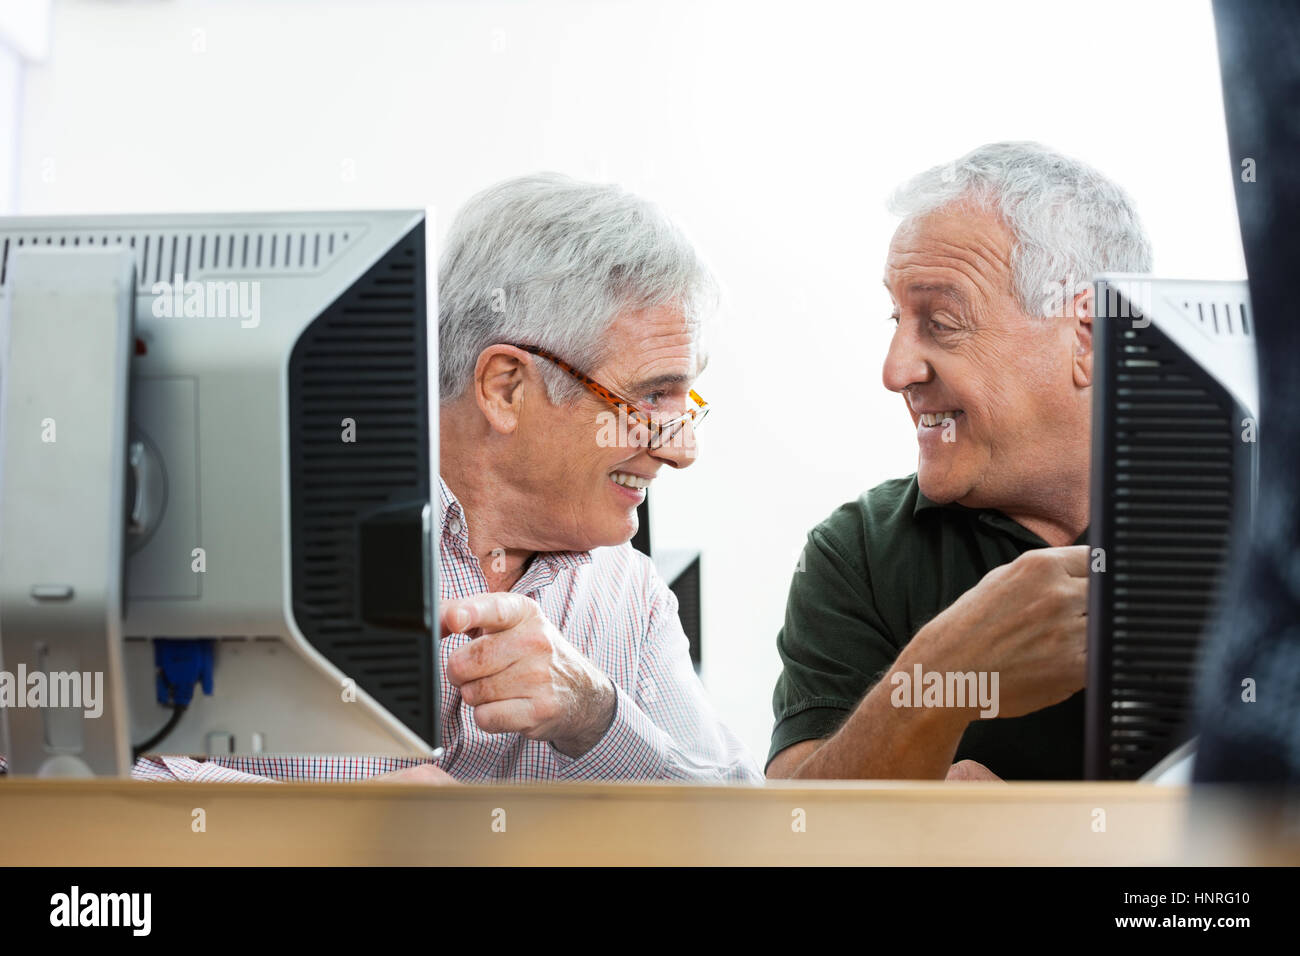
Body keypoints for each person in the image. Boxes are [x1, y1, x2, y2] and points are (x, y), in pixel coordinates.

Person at [128, 172, 761, 784]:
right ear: (505, 387)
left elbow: (738, 834)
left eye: (686, 407)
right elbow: (67, 768)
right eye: (650, 399)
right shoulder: (251, 539)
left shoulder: (632, 598)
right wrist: (326, 828)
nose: (683, 452)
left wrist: (597, 715)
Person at [766, 142, 1153, 781]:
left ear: (1088, 337)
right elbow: (795, 830)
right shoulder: (858, 551)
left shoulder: (1257, 528)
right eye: (896, 318)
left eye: (941, 322)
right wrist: (941, 674)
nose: (895, 372)